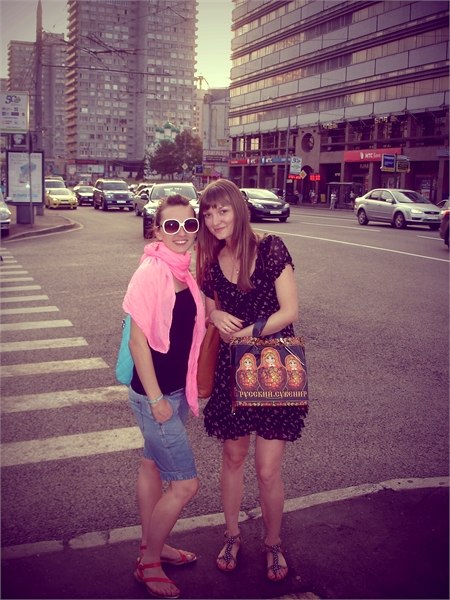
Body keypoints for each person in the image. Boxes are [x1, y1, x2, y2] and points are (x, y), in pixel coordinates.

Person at [196, 179, 308, 582]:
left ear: (239, 210)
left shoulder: (270, 247)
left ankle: (273, 542)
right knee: (232, 457)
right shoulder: (211, 259)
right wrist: (214, 315)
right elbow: (209, 310)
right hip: (232, 370)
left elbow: (290, 310)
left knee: (267, 470)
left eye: (222, 210)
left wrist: (247, 332)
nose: (215, 220)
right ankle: (232, 535)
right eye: (208, 213)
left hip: (274, 366)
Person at [122, 194, 206, 599]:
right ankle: (149, 563)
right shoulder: (151, 271)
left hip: (174, 391)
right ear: (157, 230)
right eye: (171, 225)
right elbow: (138, 342)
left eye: (189, 224)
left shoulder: (183, 271)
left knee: (151, 466)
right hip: (154, 396)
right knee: (185, 485)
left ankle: (151, 545)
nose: (181, 232)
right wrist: (156, 399)